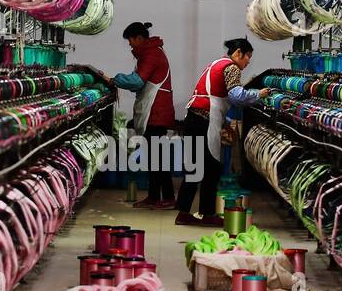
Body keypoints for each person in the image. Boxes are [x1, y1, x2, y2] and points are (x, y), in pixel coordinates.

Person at [175, 37, 270, 227]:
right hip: (205, 122)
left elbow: (212, 96)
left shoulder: (215, 64)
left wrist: (225, 122)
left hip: (193, 119)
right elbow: (236, 97)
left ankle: (183, 213)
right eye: (247, 57)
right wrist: (259, 95)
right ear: (237, 54)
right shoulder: (231, 67)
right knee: (212, 169)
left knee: (195, 168)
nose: (248, 62)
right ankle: (208, 214)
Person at [112, 21, 177, 208]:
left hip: (156, 113)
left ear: (139, 38)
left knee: (157, 159)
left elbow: (138, 81)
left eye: (131, 40)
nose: (130, 44)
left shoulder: (151, 54)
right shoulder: (153, 52)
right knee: (155, 158)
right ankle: (156, 197)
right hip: (156, 112)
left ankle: (164, 198)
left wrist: (114, 79)